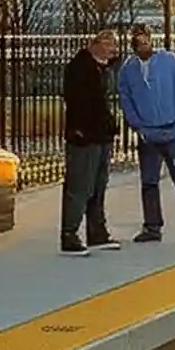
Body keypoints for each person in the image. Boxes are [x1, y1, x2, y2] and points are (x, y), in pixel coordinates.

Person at [117, 25, 175, 248]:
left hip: (172, 132)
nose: (142, 45)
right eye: (137, 42)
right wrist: (138, 126)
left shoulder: (169, 61)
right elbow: (125, 99)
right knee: (149, 182)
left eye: (145, 40)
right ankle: (152, 227)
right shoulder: (128, 69)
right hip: (148, 135)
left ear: (151, 40)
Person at [60, 30, 122, 256]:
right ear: (94, 45)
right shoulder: (80, 68)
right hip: (85, 136)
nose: (113, 49)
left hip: (101, 135)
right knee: (80, 186)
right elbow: (79, 102)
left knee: (98, 186)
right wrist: (82, 129)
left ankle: (97, 232)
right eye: (108, 44)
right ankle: (70, 234)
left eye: (114, 45)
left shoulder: (102, 68)